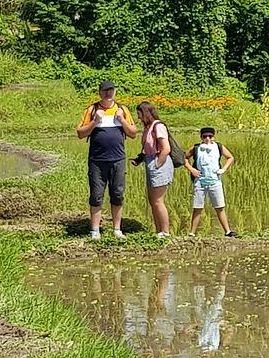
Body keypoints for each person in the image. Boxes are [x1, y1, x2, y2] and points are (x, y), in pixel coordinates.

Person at [76, 80, 137, 240]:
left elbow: (133, 133)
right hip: (97, 161)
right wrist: (95, 121)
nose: (108, 93)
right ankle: (95, 230)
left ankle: (117, 229)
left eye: (110, 90)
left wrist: (122, 120)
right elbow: (80, 133)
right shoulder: (92, 109)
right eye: (105, 91)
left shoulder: (122, 109)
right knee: (96, 195)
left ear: (115, 92)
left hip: (117, 160)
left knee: (117, 194)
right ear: (100, 93)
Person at [184, 126, 238, 238]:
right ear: (201, 137)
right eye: (205, 136)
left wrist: (224, 169)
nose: (207, 138)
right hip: (200, 181)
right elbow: (184, 158)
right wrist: (191, 169)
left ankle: (227, 231)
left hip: (215, 181)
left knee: (219, 206)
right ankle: (192, 233)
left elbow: (230, 157)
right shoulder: (196, 147)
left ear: (214, 137)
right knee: (197, 207)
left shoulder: (218, 146)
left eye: (210, 136)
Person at [133, 102, 174, 238]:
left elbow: (165, 148)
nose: (139, 118)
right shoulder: (148, 128)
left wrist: (157, 164)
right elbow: (147, 148)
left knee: (158, 200)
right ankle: (159, 231)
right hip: (151, 161)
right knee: (152, 200)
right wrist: (140, 159)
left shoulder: (158, 126)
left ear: (145, 113)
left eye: (139, 115)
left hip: (159, 163)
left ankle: (165, 231)